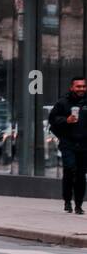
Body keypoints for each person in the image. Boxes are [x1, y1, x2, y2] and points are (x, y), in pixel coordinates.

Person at [50, 77, 87, 214]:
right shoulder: (63, 102)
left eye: (83, 86)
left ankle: (78, 204)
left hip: (84, 145)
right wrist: (66, 120)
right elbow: (53, 120)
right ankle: (67, 200)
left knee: (81, 174)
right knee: (70, 170)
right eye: (78, 86)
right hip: (68, 144)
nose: (81, 89)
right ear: (72, 87)